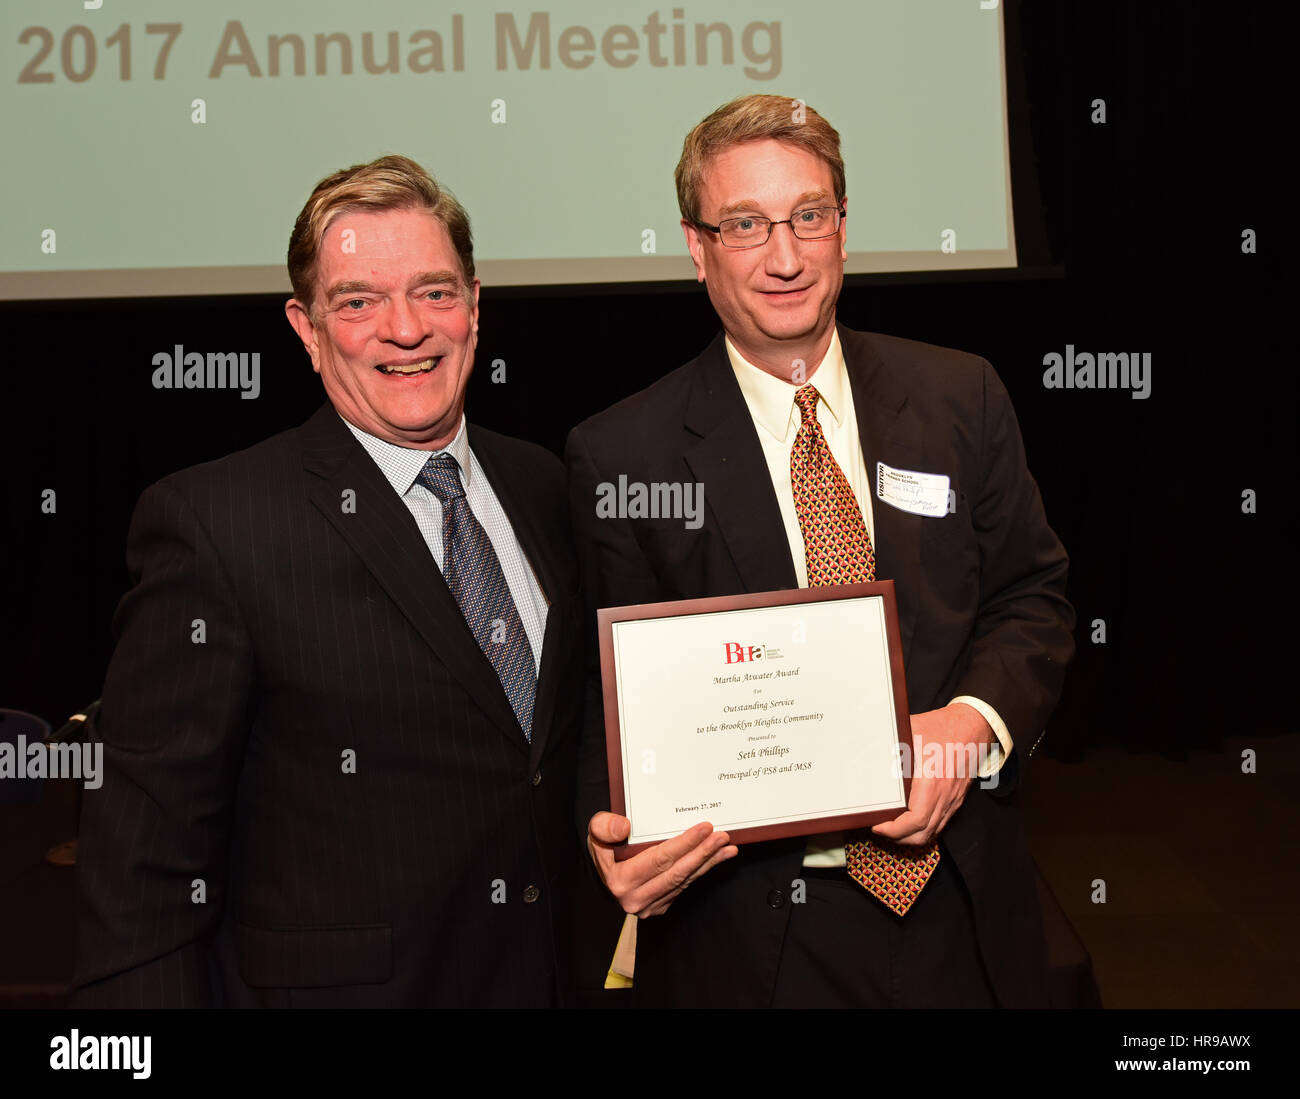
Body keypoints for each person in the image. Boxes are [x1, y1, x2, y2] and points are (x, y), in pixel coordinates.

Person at [566, 96, 1075, 1007]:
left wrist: (971, 724)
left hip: (963, 899)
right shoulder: (623, 453)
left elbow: (1033, 597)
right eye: (746, 225)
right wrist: (612, 830)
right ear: (697, 246)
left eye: (809, 216)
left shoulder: (962, 395)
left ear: (843, 226)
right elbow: (610, 703)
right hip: (753, 932)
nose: (787, 256)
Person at [72, 155, 586, 1007]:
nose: (406, 328)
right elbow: (143, 874)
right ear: (306, 330)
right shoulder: (214, 526)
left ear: (475, 306)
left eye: (434, 291)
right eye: (357, 302)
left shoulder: (545, 486)